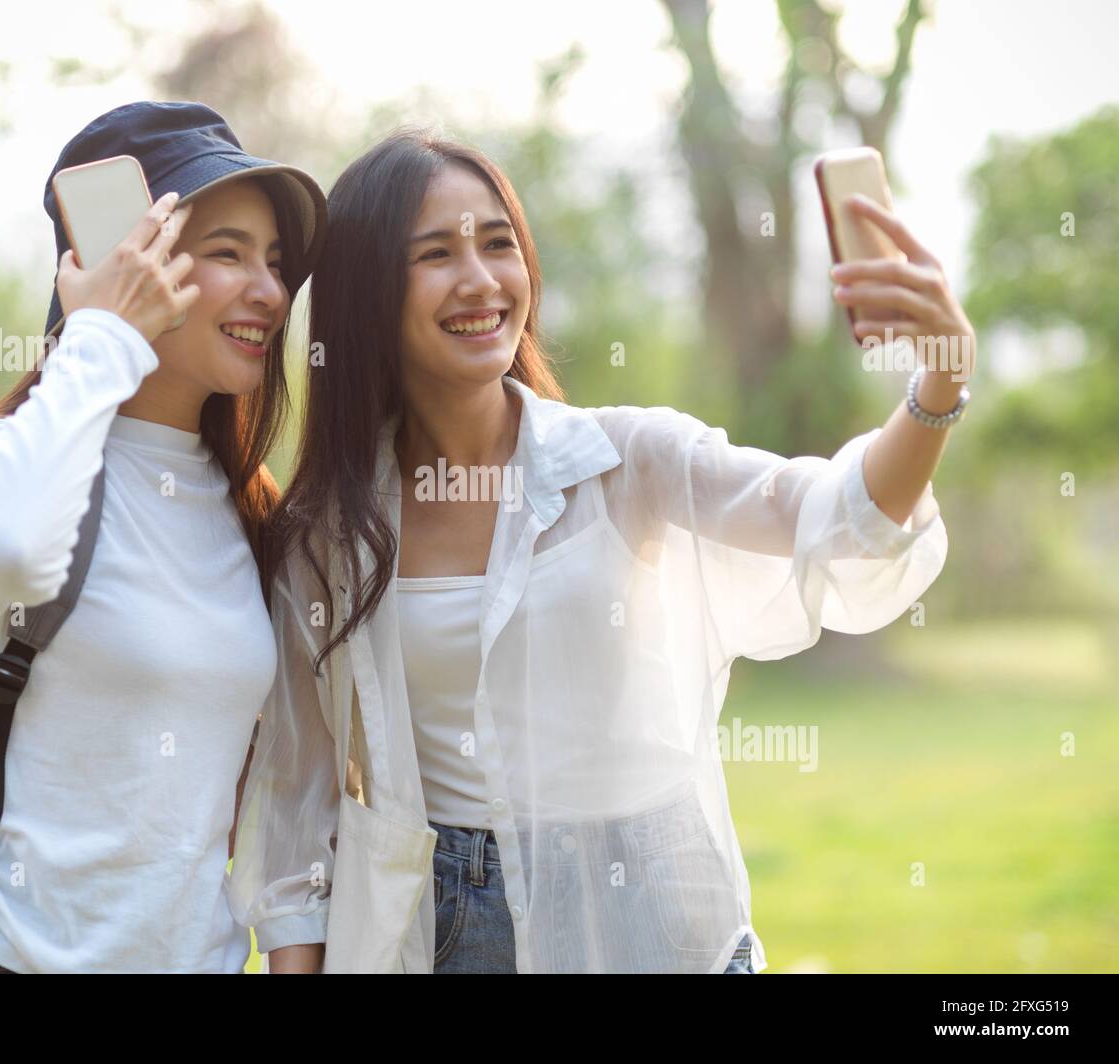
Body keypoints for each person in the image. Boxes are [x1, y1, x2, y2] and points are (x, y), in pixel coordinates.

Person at [231, 127, 967, 974]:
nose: (480, 280)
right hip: (438, 935)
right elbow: (296, 811)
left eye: (497, 242)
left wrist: (939, 382)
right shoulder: (327, 534)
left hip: (653, 924)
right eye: (434, 254)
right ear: (366, 295)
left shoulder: (627, 463)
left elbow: (838, 519)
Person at [0, 101, 326, 974]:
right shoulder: (9, 455)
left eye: (275, 262)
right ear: (127, 261)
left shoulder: (256, 516)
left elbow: (285, 790)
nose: (270, 291)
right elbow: (12, 552)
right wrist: (102, 335)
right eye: (227, 252)